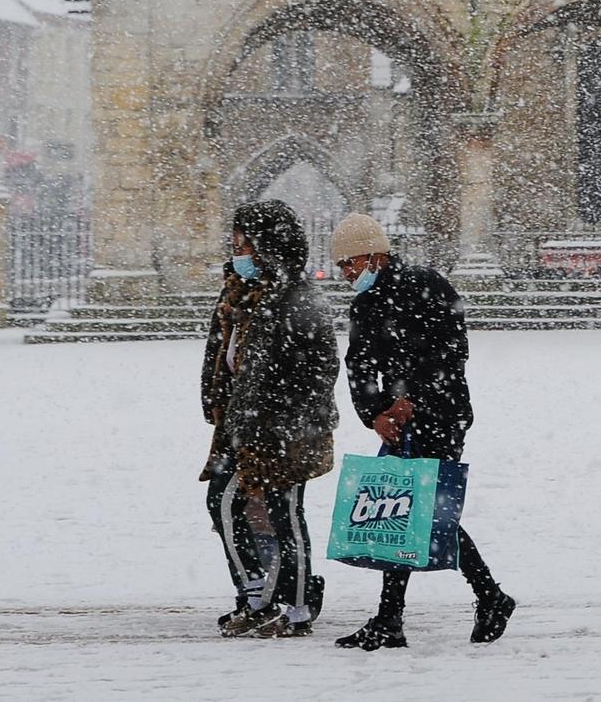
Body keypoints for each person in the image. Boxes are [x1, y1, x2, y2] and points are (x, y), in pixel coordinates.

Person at [329, 213, 515, 651]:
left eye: (349, 263)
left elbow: (451, 350)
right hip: (399, 424)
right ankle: (473, 600)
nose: (346, 274)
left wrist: (410, 396)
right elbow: (358, 366)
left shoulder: (427, 285)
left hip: (441, 416)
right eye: (341, 267)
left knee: (421, 510)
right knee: (407, 512)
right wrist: (374, 412)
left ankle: (475, 599)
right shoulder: (366, 303)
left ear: (374, 254)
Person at [210, 200, 339, 640]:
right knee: (223, 502)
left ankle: (295, 605)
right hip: (243, 427)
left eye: (242, 243)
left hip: (283, 430)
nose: (236, 251)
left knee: (284, 514)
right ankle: (257, 595)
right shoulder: (243, 294)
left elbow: (319, 371)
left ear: (266, 247)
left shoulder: (294, 301)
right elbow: (226, 358)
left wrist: (284, 420)